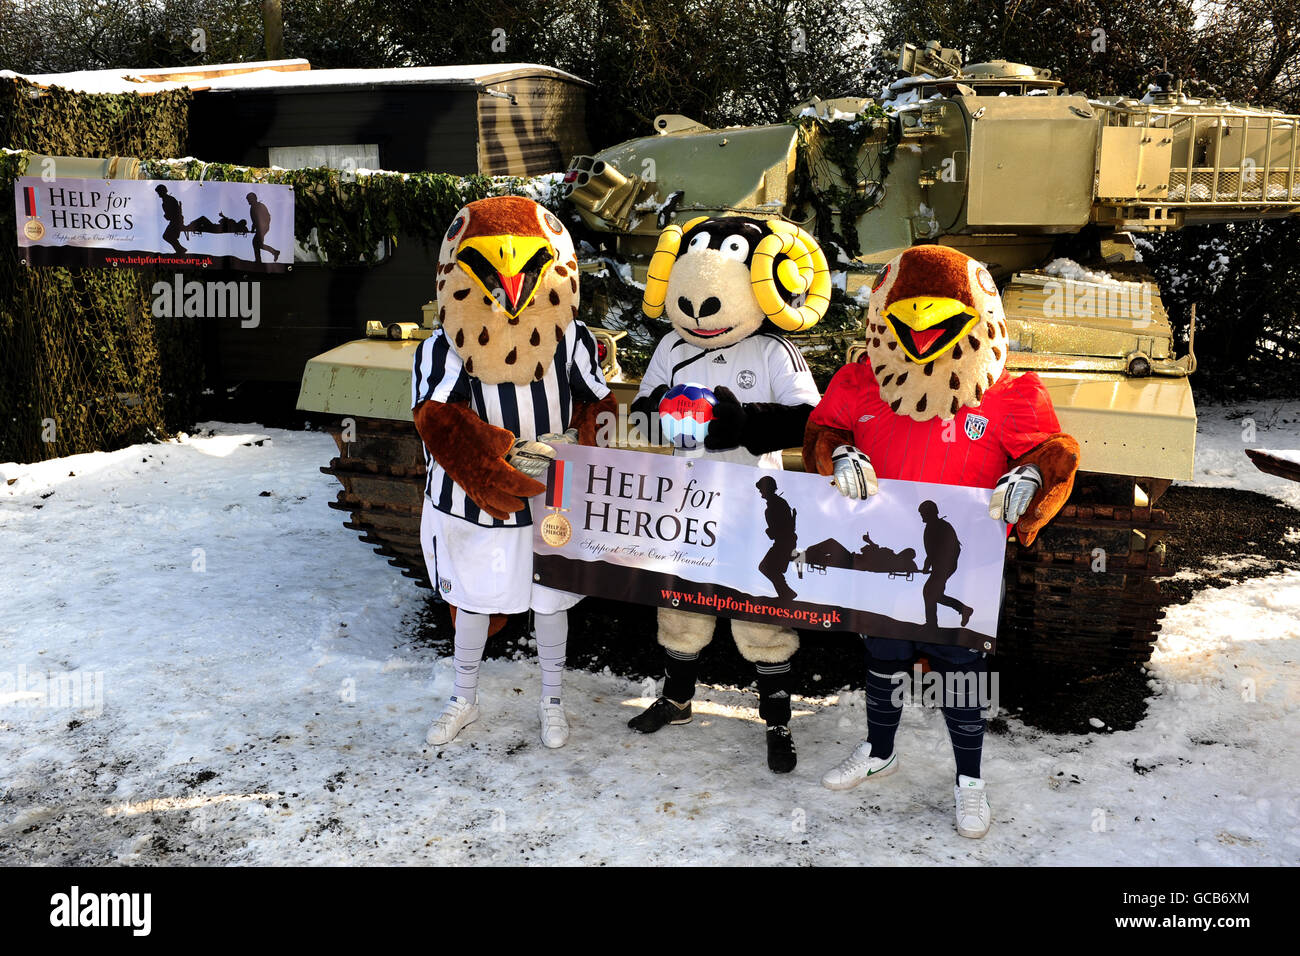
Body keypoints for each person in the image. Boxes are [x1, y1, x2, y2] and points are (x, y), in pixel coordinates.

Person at [917, 499, 973, 631]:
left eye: (923, 513)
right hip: (944, 566)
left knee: (929, 592)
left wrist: (931, 566)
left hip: (944, 566)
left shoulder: (938, 526)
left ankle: (932, 624)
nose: (922, 516)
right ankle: (963, 609)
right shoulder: (937, 526)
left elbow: (935, 551)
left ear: (930, 512)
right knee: (934, 594)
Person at [756, 475, 798, 601]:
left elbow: (777, 531)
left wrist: (769, 531)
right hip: (786, 542)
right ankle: (786, 593)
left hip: (784, 543)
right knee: (768, 568)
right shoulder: (779, 503)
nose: (760, 492)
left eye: (761, 489)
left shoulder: (774, 506)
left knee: (766, 567)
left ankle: (786, 593)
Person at [246, 192, 280, 263]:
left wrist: (256, 228)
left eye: (249, 199)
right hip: (263, 227)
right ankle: (274, 252)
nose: (248, 201)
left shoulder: (255, 207)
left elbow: (256, 220)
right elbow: (257, 220)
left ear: (253, 198)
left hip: (262, 228)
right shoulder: (258, 206)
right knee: (259, 244)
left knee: (255, 242)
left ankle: (258, 260)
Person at [156, 184, 186, 254]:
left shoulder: (168, 200)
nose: (158, 194)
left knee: (167, 236)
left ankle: (180, 250)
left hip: (176, 221)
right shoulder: (167, 200)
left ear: (162, 191)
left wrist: (166, 216)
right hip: (176, 220)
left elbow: (173, 213)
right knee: (168, 236)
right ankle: (180, 249)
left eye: (159, 192)